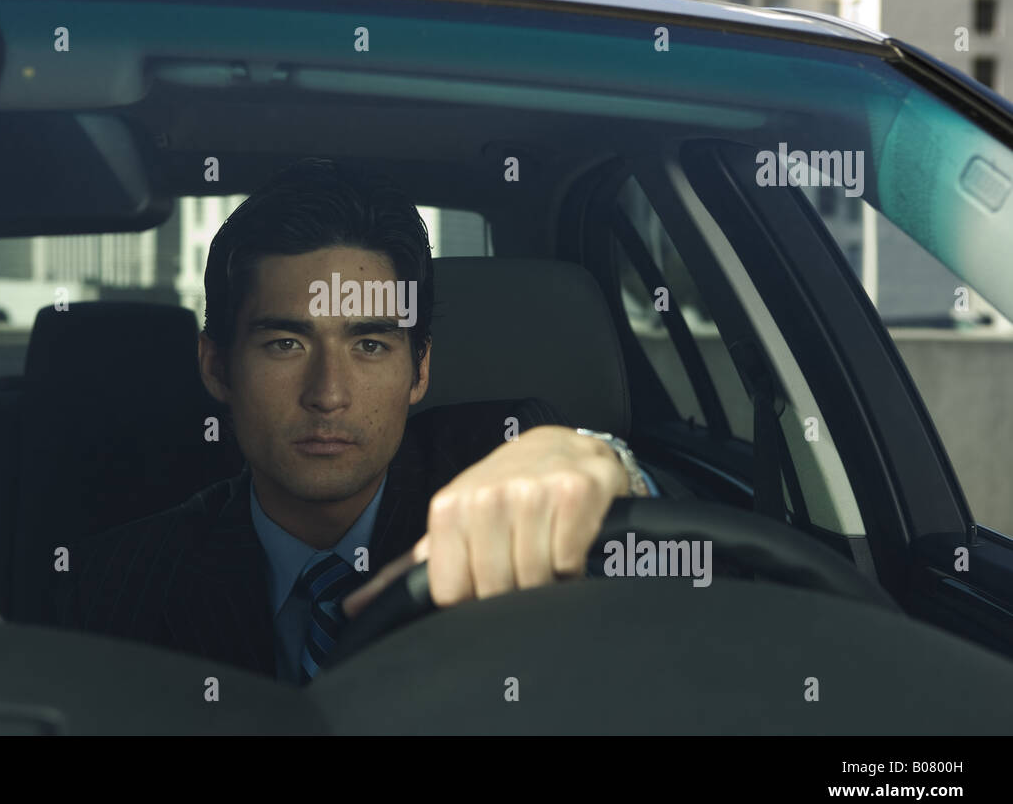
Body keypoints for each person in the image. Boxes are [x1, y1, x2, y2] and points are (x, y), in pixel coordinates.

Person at [57, 158, 653, 684]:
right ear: (217, 368)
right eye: (286, 343)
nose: (329, 395)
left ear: (419, 371)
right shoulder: (118, 582)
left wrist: (601, 463)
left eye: (369, 345)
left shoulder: (501, 456)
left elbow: (673, 579)